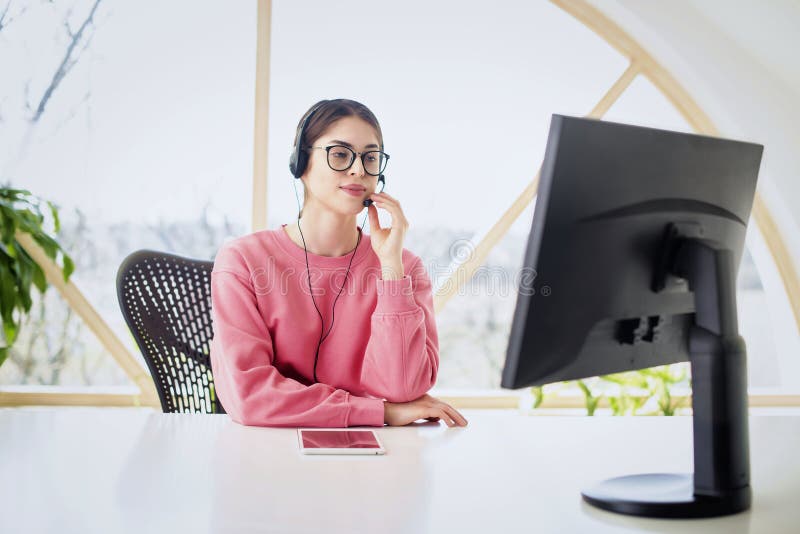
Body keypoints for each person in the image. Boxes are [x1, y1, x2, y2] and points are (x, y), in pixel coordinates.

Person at [209, 98, 468, 428]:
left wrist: (390, 272)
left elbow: (402, 389)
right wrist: (377, 412)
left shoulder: (403, 268)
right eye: (341, 154)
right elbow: (250, 398)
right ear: (301, 163)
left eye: (370, 157)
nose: (359, 169)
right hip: (270, 452)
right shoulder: (243, 261)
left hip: (374, 459)